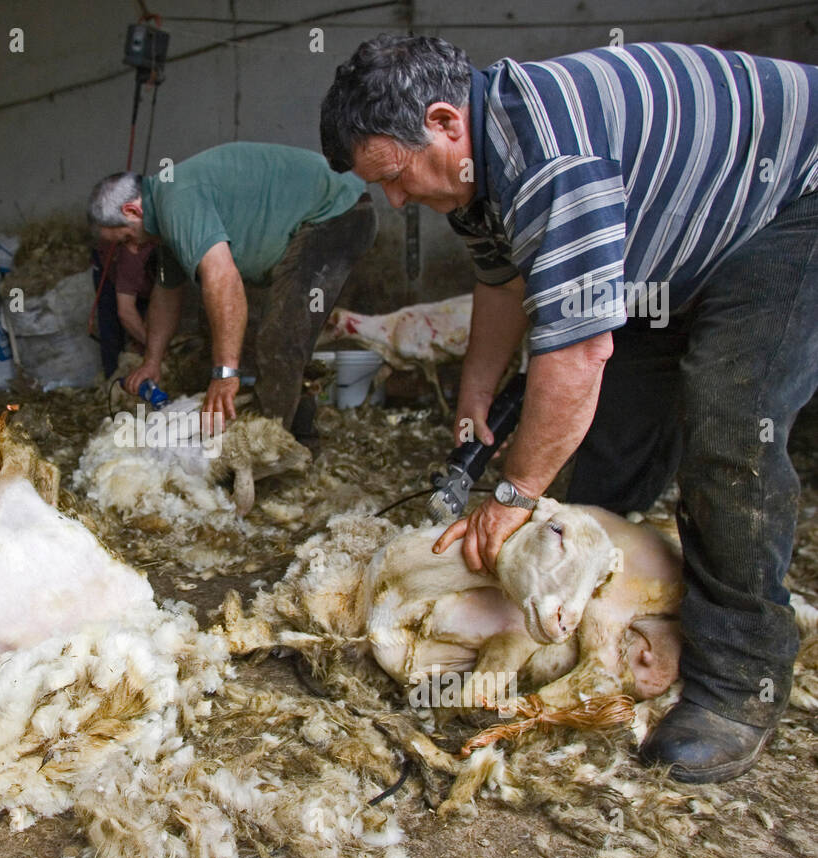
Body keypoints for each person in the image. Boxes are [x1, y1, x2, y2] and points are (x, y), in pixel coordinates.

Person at [320, 34, 818, 782]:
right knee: (618, 419)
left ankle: (738, 682)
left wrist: (513, 496)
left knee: (728, 420)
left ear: (446, 121)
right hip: (676, 242)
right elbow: (501, 283)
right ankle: (589, 584)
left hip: (790, 204)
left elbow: (575, 355)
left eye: (394, 176)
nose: (395, 201)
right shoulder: (471, 174)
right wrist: (479, 389)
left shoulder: (551, 163)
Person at [87, 141, 377, 440]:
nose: (133, 249)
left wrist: (225, 373)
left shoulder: (176, 199)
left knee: (281, 337)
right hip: (326, 215)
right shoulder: (168, 213)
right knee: (281, 336)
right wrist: (152, 361)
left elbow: (223, 279)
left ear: (132, 210)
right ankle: (297, 440)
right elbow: (166, 290)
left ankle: (264, 448)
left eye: (125, 239)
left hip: (337, 214)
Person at [89, 240, 157, 378]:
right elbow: (125, 312)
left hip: (148, 274)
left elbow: (162, 301)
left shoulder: (170, 255)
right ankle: (114, 382)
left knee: (147, 323)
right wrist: (155, 348)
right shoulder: (132, 254)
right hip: (111, 267)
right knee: (111, 328)